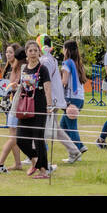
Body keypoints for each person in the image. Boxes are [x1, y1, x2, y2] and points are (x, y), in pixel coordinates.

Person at [40, 37, 80, 165]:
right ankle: (74, 150)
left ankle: (35, 155)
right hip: (54, 98)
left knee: (41, 127)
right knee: (56, 129)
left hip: (50, 99)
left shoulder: (45, 61)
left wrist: (48, 101)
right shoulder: (51, 59)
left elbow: (46, 82)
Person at [15, 40, 52, 178]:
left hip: (39, 106)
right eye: (30, 50)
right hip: (25, 107)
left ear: (39, 52)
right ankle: (35, 161)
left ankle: (43, 170)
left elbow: (47, 87)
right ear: (26, 53)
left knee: (38, 139)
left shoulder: (43, 68)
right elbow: (22, 87)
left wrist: (49, 106)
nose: (33, 53)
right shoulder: (24, 68)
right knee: (20, 139)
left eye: (35, 50)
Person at [0, 42, 25, 173]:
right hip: (10, 103)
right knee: (14, 136)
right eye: (6, 52)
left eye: (11, 52)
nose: (8, 54)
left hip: (16, 103)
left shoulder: (19, 68)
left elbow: (17, 85)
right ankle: (16, 163)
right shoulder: (10, 68)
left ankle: (8, 163)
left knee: (15, 136)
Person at [59, 39, 87, 161]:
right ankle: (74, 153)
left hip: (71, 98)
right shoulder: (77, 63)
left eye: (63, 48)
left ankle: (78, 148)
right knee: (63, 126)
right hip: (79, 98)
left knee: (71, 126)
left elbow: (64, 82)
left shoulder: (66, 63)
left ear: (67, 50)